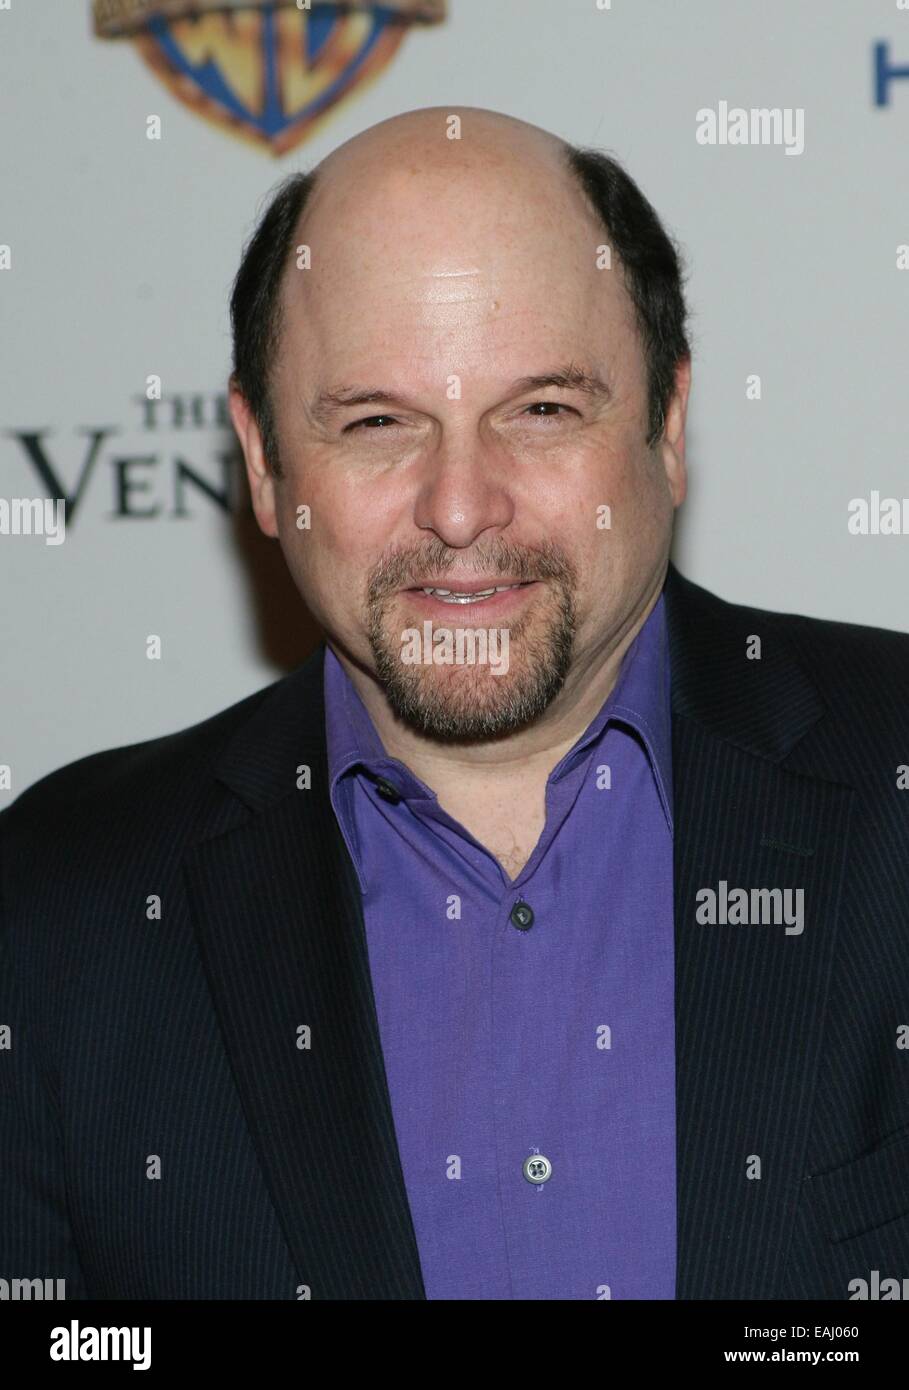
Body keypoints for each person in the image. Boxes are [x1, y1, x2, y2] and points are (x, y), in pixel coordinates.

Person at [2, 106, 908, 1302]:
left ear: (668, 423)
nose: (463, 506)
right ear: (264, 463)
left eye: (541, 409)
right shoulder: (57, 911)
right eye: (378, 423)